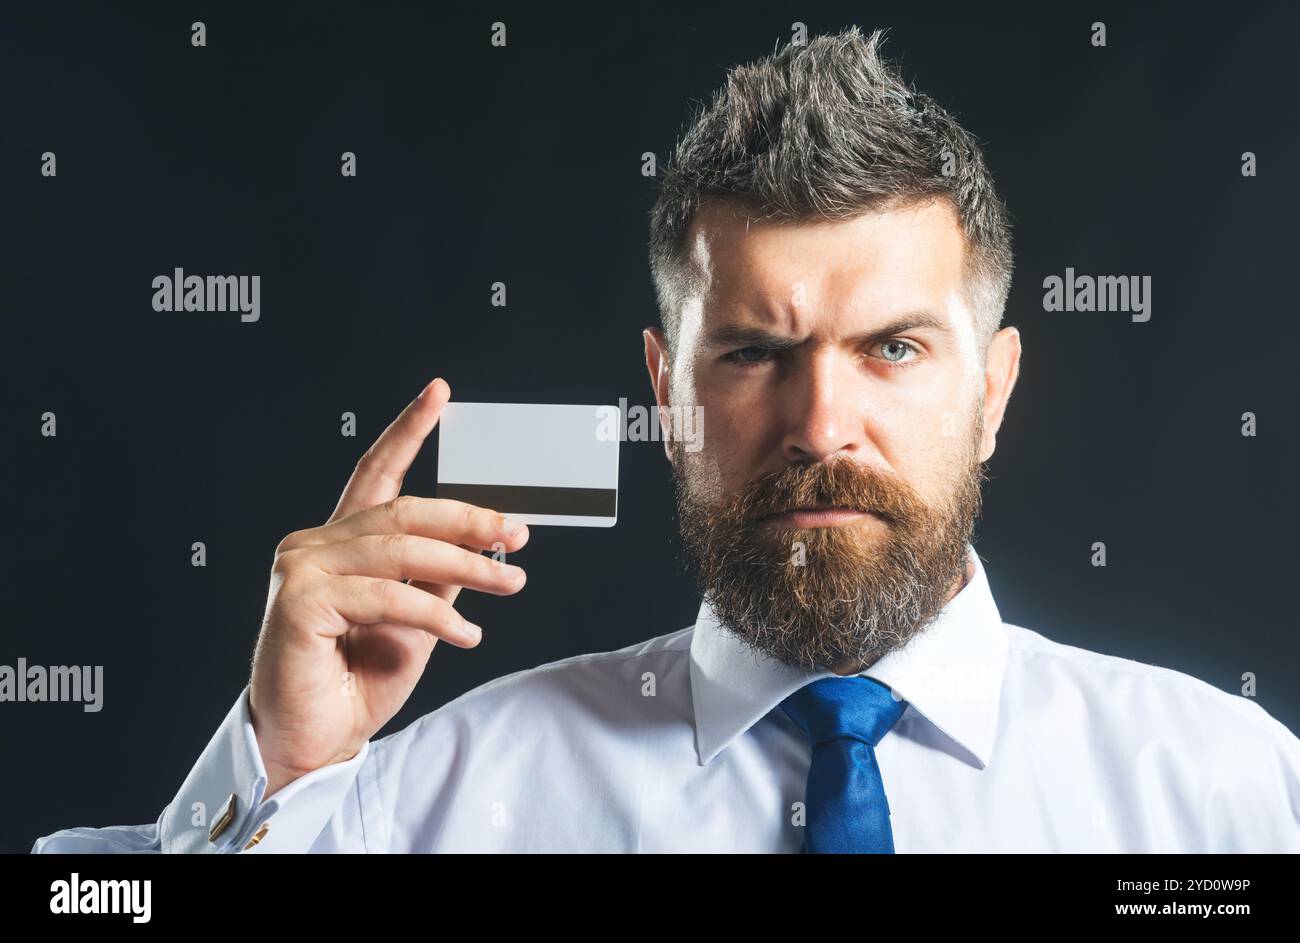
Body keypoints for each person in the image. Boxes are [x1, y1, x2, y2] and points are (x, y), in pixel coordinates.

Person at [32, 27, 1300, 853]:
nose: (819, 425)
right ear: (664, 391)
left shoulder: (1224, 796)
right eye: (752, 353)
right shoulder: (436, 800)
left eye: (894, 348)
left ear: (994, 393)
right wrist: (282, 771)